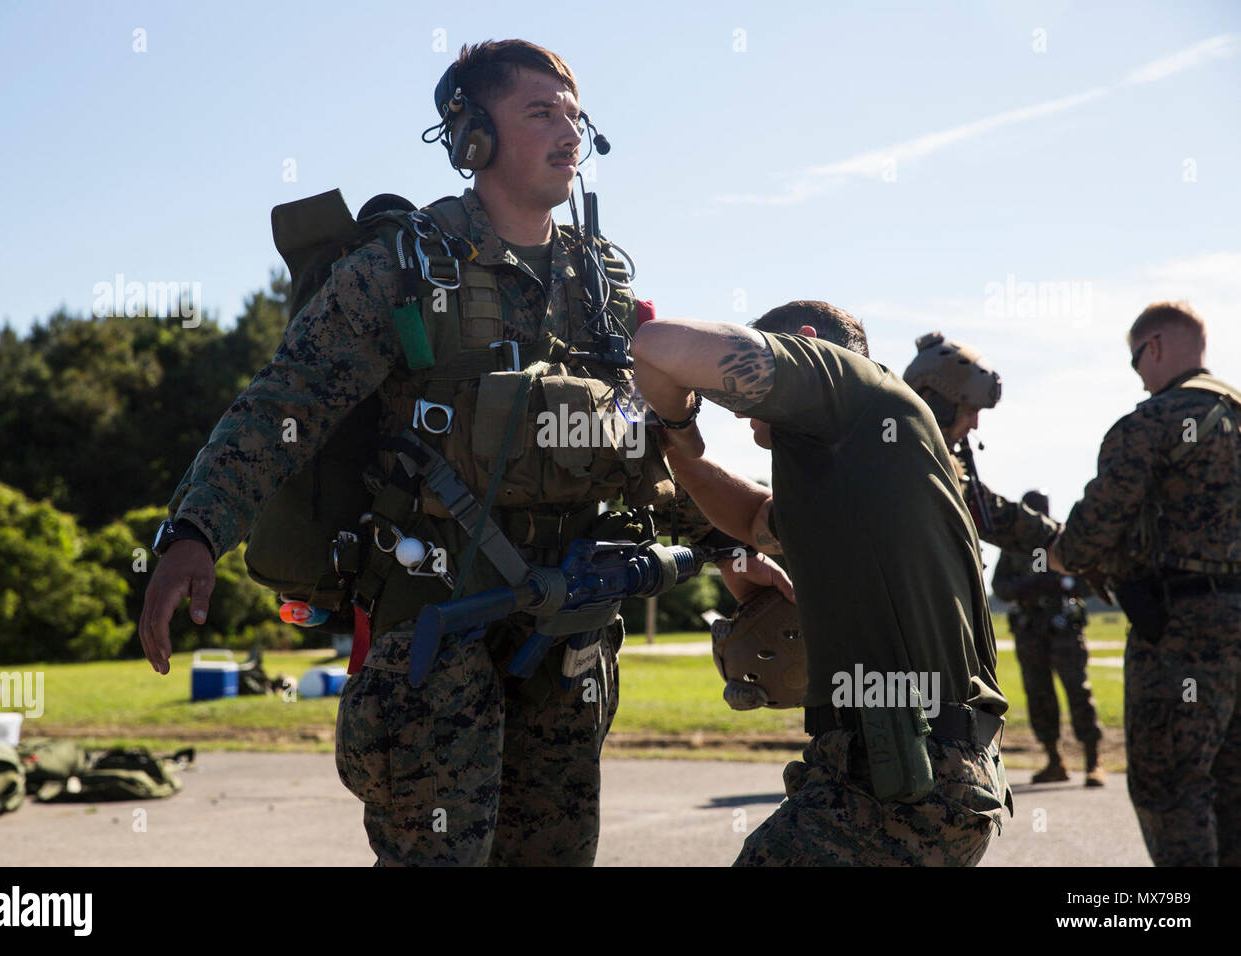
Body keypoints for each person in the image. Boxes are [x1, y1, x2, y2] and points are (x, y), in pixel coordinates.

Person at [137, 39, 757, 866]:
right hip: (435, 639)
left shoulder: (601, 283)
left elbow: (641, 445)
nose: (568, 133)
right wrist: (194, 531)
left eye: (575, 115)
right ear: (472, 137)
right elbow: (286, 405)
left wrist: (733, 544)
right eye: (541, 113)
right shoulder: (403, 267)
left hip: (566, 640)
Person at [632, 300, 1011, 866]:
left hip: (905, 782)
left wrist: (681, 419)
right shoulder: (844, 456)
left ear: (806, 346)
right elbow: (756, 523)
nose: (740, 414)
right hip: (910, 775)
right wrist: (683, 455)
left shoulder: (853, 389)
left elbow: (658, 345)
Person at [1052, 301, 1241, 867]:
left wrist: (1062, 553)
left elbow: (1089, 536)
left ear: (1153, 346)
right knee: (1232, 786)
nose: (1138, 374)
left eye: (1136, 360)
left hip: (1181, 633)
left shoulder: (1153, 423)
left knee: (1172, 787)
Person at [903, 333, 1060, 556]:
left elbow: (1002, 517)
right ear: (935, 404)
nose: (975, 425)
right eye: (970, 411)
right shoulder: (900, 466)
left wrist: (1061, 541)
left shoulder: (944, 469)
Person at [991, 490, 1104, 786]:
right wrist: (1031, 585)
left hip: (1064, 627)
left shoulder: (1064, 542)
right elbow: (1000, 587)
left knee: (1078, 691)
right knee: (1038, 695)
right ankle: (1055, 760)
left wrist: (1063, 584)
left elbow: (1090, 582)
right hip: (1030, 631)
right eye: (1031, 509)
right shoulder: (1012, 548)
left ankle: (1094, 761)